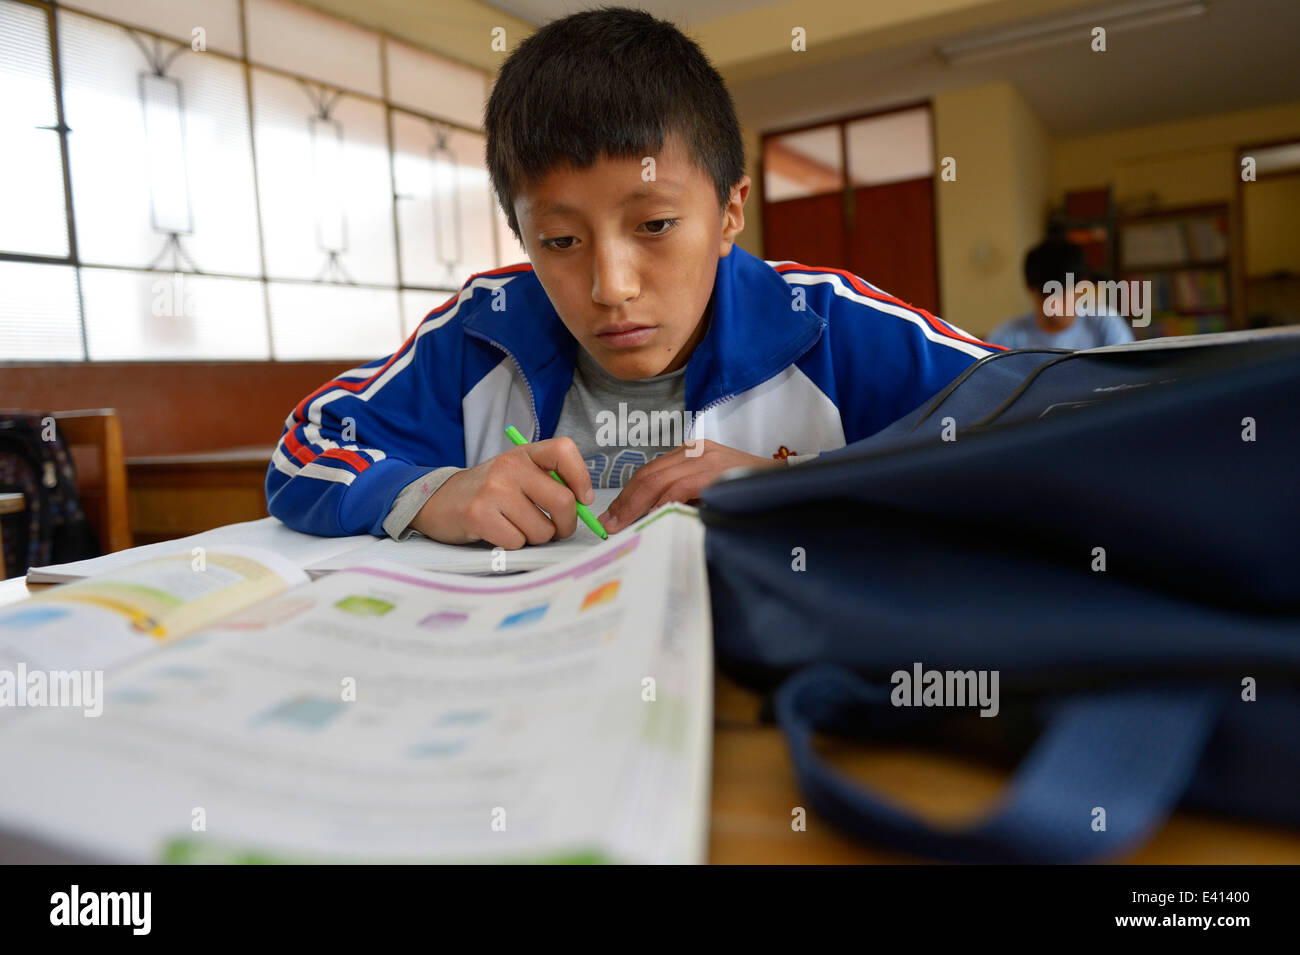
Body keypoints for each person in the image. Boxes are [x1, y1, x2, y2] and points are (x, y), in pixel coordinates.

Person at [265, 7, 1000, 548]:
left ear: (730, 212)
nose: (610, 286)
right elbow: (306, 443)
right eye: (559, 239)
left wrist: (804, 488)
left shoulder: (827, 326)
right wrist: (429, 492)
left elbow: (1071, 422)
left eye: (653, 226)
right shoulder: (481, 333)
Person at [988, 237, 1135, 350]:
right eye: (1044, 296)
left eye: (1061, 295)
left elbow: (1129, 377)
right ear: (1029, 289)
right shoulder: (1007, 337)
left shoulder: (1105, 324)